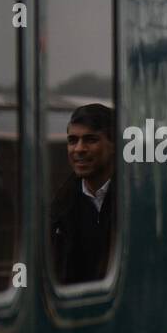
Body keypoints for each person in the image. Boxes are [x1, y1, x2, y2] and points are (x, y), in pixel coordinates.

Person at [50, 103, 116, 285]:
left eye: (91, 140)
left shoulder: (139, 203)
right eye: (72, 140)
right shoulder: (57, 208)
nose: (79, 149)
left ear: (115, 145)